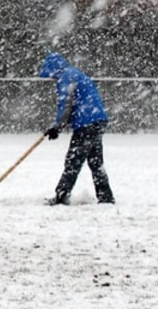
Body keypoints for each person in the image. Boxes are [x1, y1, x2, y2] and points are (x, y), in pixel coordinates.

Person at [38, 52, 115, 205]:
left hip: (86, 123)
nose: (52, 80)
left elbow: (66, 105)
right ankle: (105, 196)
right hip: (98, 120)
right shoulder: (75, 74)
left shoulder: (66, 77)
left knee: (73, 161)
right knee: (95, 162)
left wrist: (57, 127)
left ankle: (61, 195)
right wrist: (58, 126)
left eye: (52, 76)